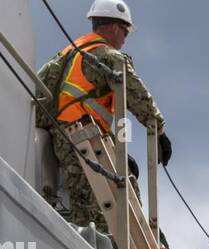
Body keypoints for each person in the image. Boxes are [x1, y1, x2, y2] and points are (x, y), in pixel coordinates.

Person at [35, 0, 171, 232]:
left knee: (89, 199)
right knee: (100, 210)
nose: (125, 38)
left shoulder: (69, 53)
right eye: (125, 31)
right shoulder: (108, 56)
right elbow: (138, 97)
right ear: (115, 27)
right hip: (86, 137)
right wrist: (159, 131)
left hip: (61, 137)